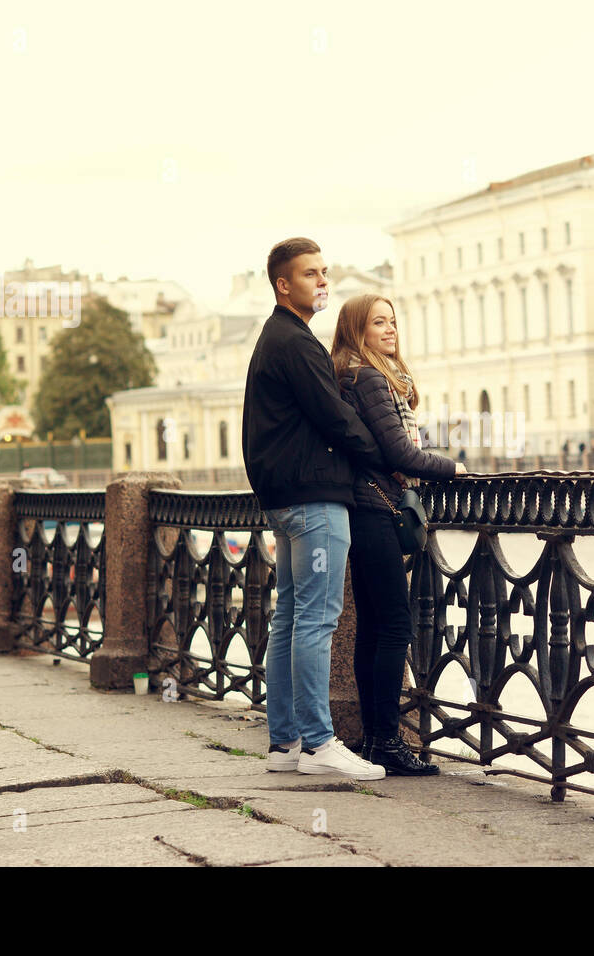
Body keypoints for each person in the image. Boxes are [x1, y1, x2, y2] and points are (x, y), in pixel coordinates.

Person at [242, 238, 389, 781]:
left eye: (325, 272)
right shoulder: (297, 342)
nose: (322, 281)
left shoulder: (275, 337)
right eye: (310, 274)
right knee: (316, 619)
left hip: (286, 498)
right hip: (314, 496)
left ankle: (285, 743)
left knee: (290, 617)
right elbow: (336, 419)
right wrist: (383, 456)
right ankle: (320, 744)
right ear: (284, 285)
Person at [331, 293, 466, 775]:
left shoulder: (356, 375)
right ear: (357, 331)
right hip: (375, 509)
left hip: (363, 508)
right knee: (394, 627)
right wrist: (453, 467)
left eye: (392, 321)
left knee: (372, 628)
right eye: (378, 323)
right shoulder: (368, 378)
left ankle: (374, 739)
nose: (390, 330)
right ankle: (387, 740)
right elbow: (400, 454)